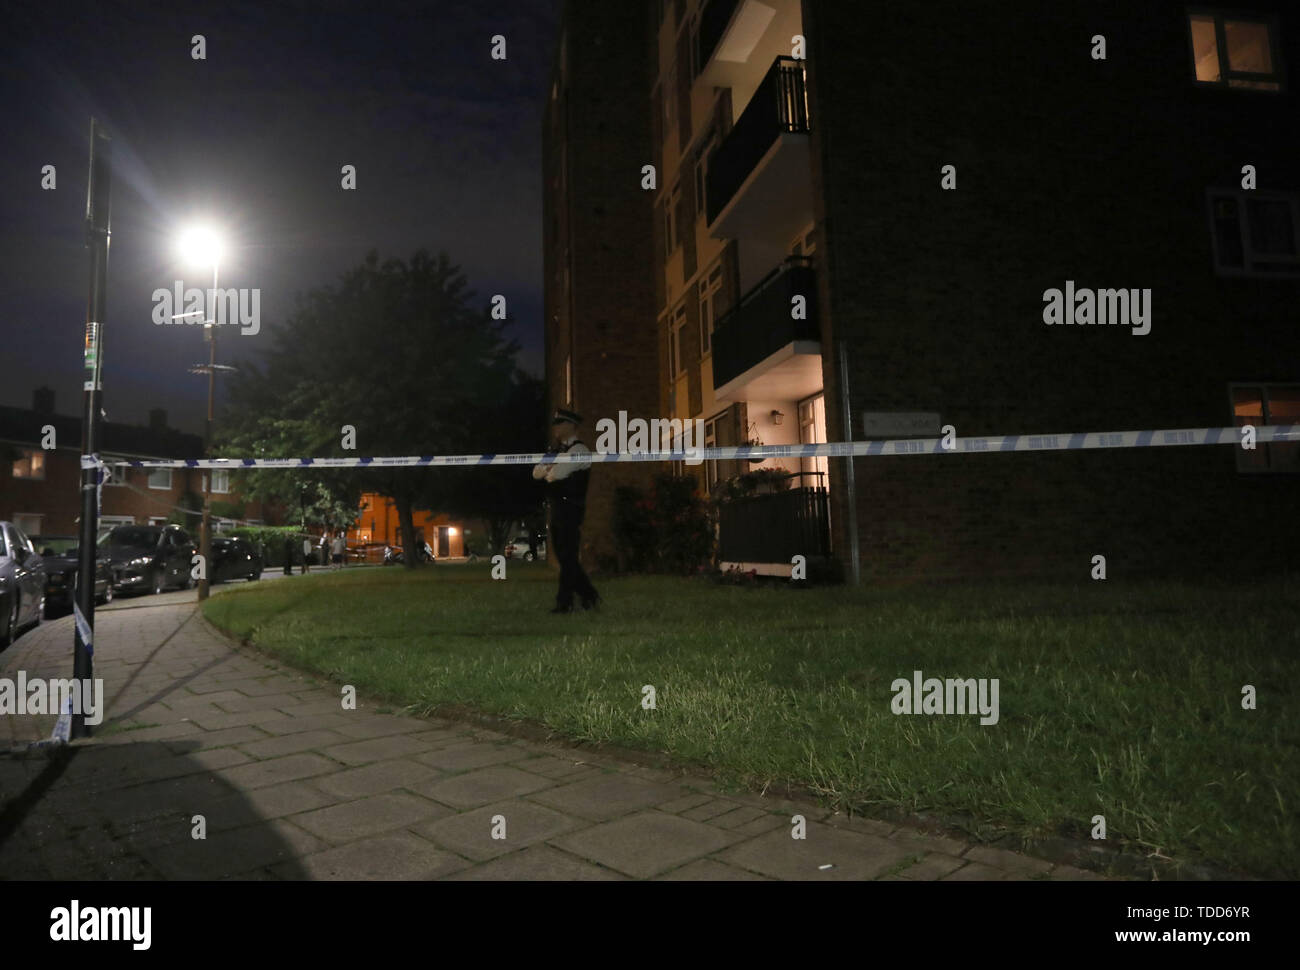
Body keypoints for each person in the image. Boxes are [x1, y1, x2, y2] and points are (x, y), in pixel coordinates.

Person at [532, 407, 600, 613]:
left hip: (571, 509)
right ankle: (589, 594)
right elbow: (536, 473)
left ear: (571, 425)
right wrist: (549, 469)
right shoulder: (556, 451)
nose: (556, 428)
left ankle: (565, 602)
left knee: (568, 556)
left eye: (560, 423)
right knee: (564, 557)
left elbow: (555, 475)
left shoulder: (579, 451)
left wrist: (549, 470)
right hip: (557, 509)